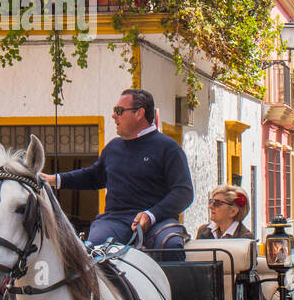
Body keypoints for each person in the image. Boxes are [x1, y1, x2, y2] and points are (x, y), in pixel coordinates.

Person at [41, 88, 193, 245]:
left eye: (119, 111)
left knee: (171, 244)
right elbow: (93, 176)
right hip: (115, 221)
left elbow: (184, 192)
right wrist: (54, 179)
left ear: (139, 113)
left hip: (159, 221)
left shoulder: (169, 147)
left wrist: (151, 215)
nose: (113, 116)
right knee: (94, 247)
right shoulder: (113, 147)